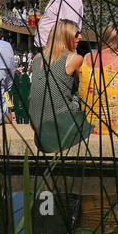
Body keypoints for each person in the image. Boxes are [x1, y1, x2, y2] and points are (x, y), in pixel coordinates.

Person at [29, 18, 87, 146]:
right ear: (66, 36)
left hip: (36, 122)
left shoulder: (37, 58)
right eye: (76, 34)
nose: (80, 37)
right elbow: (83, 90)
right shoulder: (75, 59)